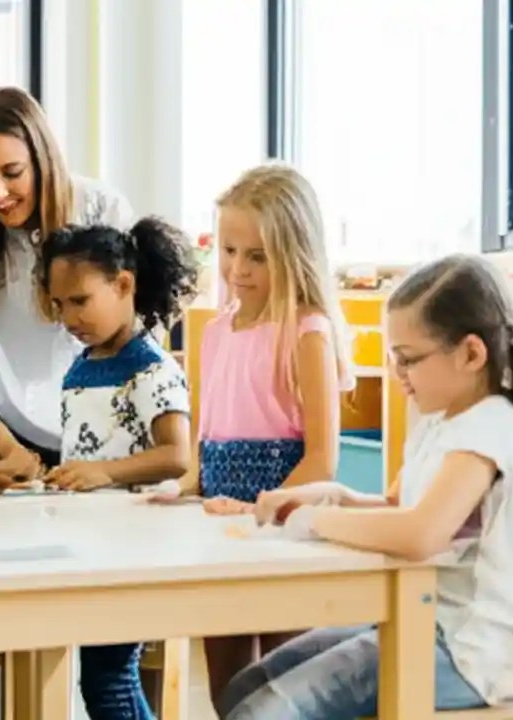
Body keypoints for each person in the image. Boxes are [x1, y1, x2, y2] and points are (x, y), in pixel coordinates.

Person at [219, 254, 513, 719]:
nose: (397, 373)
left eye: (408, 359)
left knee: (264, 711)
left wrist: (315, 519)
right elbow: (397, 506)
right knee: (245, 687)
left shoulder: (490, 427)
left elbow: (420, 534)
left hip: (465, 653)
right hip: (419, 618)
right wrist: (328, 496)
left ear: (471, 354)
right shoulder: (441, 420)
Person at [193, 163, 355, 707]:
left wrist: (263, 507)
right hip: (222, 529)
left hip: (284, 526)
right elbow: (207, 434)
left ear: (293, 254)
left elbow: (322, 460)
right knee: (228, 690)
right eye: (229, 250)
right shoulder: (215, 330)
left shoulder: (308, 332)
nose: (237, 269)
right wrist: (186, 484)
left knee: (286, 691)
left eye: (257, 256)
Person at [37, 216, 196, 716]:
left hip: (133, 548)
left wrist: (104, 473)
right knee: (102, 677)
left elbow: (176, 455)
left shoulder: (150, 368)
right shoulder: (82, 365)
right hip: (90, 546)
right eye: (59, 304)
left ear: (123, 285)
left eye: (80, 300)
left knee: (109, 679)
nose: (68, 317)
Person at [0, 86, 134, 477]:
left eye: (12, 173)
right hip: (15, 432)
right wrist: (8, 449)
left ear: (41, 160)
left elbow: (139, 336)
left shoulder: (100, 206)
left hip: (111, 434)